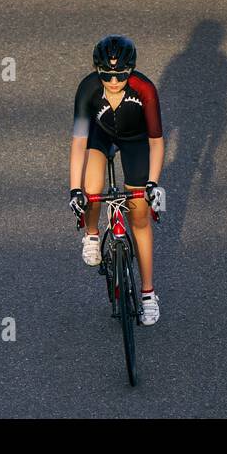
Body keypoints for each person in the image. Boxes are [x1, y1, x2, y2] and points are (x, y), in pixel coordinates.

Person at [67, 34, 166, 325]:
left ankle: (148, 293)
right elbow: (78, 144)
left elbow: (157, 142)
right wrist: (75, 190)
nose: (113, 80)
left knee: (139, 217)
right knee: (92, 186)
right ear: (98, 71)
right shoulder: (87, 89)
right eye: (107, 74)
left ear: (131, 70)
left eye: (121, 74)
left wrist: (153, 184)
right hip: (101, 137)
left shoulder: (145, 89)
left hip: (136, 142)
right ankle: (92, 234)